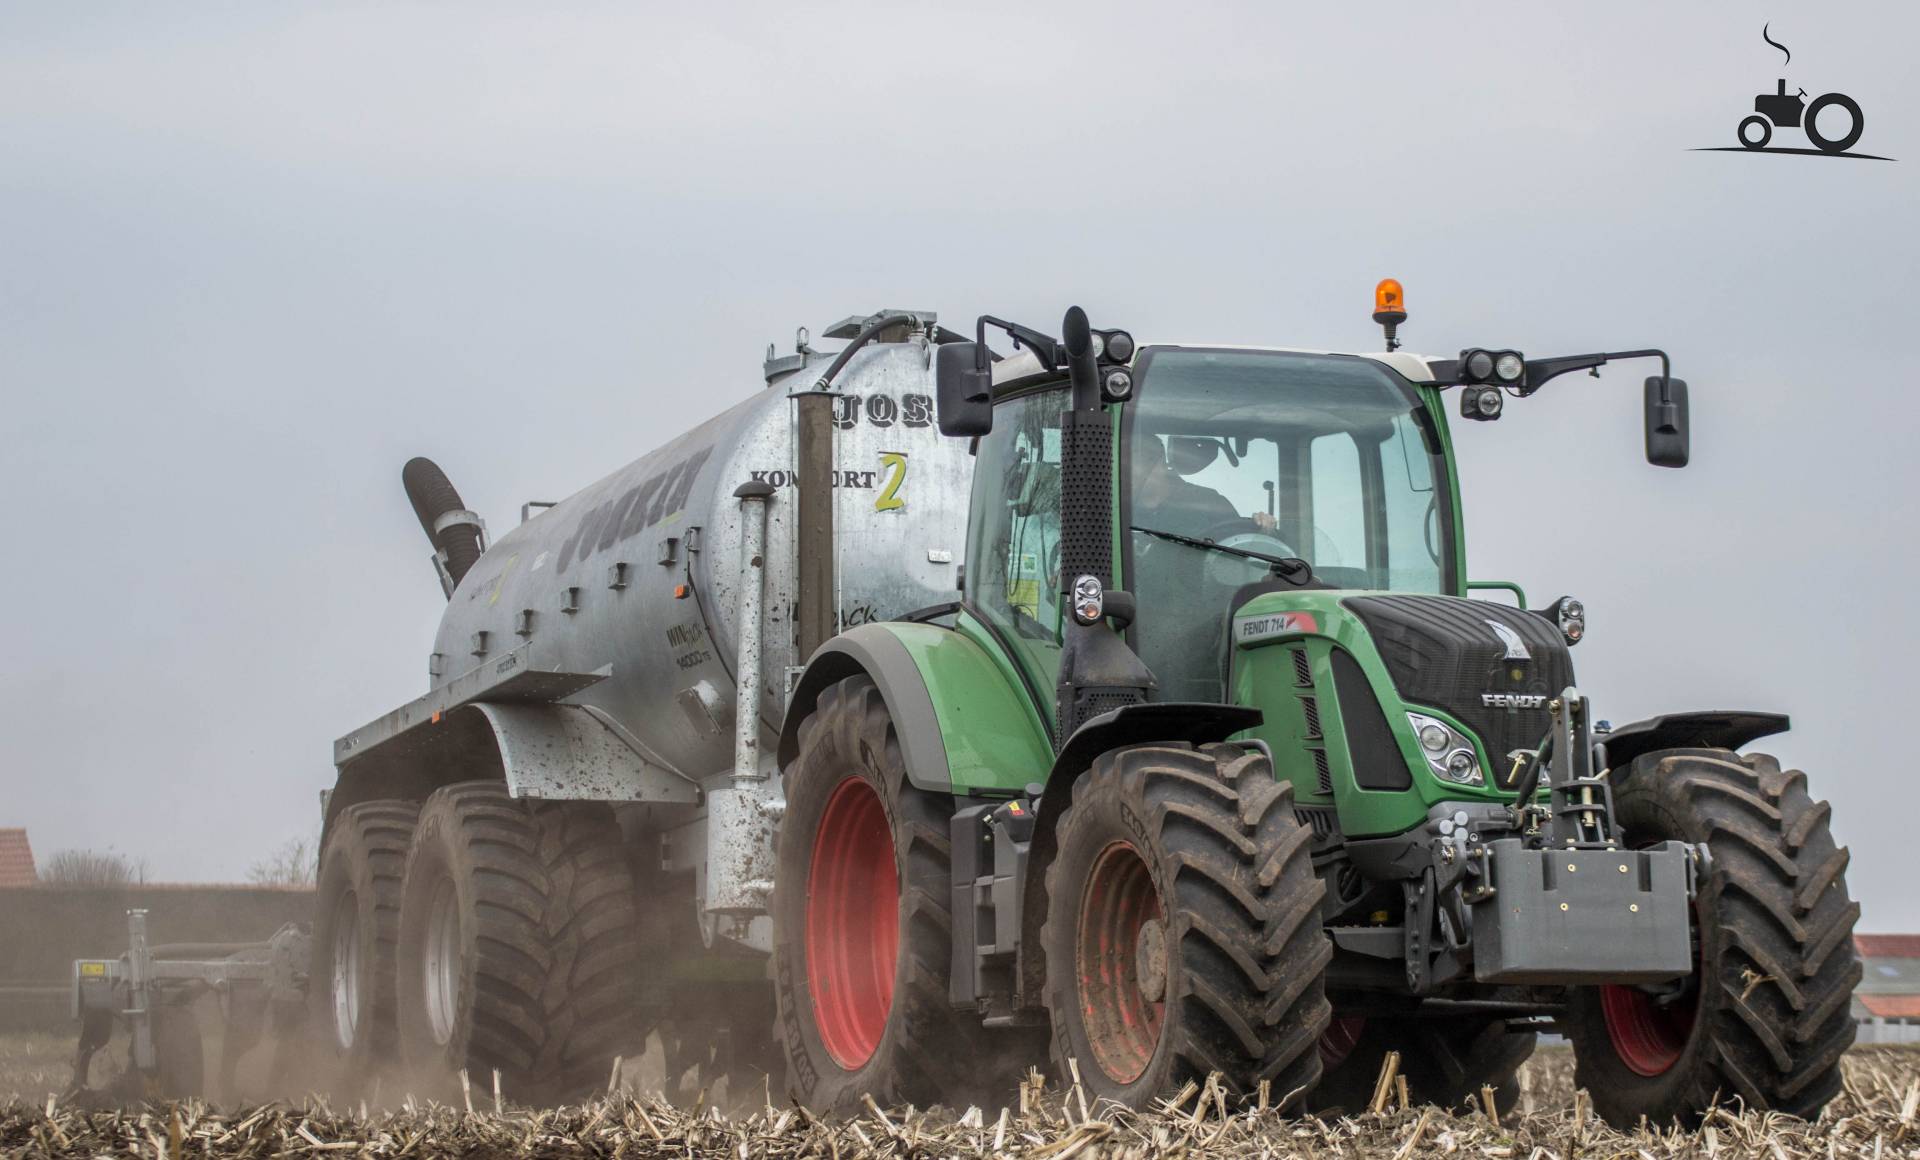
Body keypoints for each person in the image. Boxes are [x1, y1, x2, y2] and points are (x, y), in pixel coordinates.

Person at [1134, 436, 1276, 536]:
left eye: (1145, 460)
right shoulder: (1116, 507)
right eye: (1129, 462)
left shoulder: (1208, 503)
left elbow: (1238, 547)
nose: (1133, 469)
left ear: (1162, 465)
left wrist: (1263, 531)